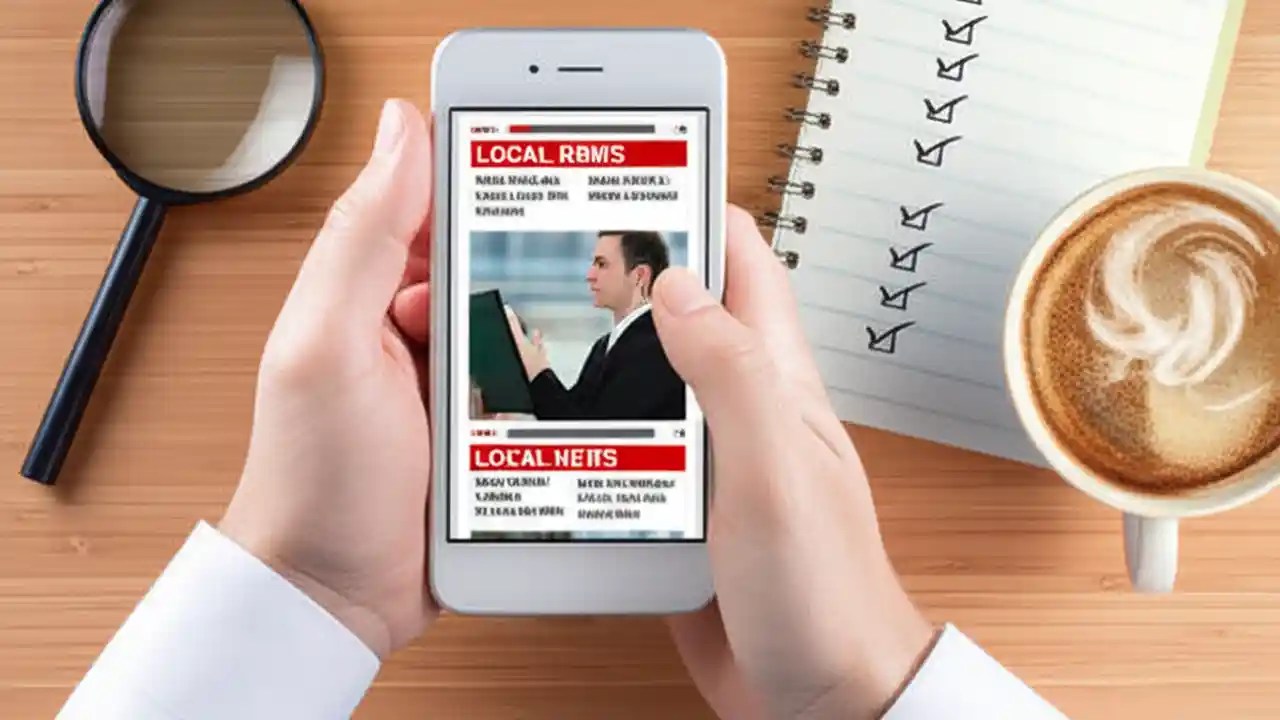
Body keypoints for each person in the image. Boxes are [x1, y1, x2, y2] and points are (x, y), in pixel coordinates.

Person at [58, 100, 1067, 719]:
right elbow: (576, 414)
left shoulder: (656, 347)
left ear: (642, 273)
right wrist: (853, 692)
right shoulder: (625, 343)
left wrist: (313, 586)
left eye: (596, 259)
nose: (585, 271)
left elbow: (589, 426)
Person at [505, 231, 686, 421]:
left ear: (639, 275)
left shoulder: (658, 347)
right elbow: (572, 415)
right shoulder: (605, 345)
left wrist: (537, 371)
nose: (590, 276)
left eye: (602, 264)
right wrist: (538, 368)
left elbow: (590, 437)